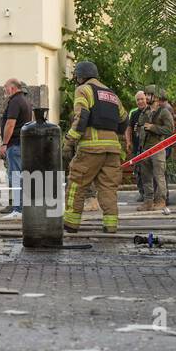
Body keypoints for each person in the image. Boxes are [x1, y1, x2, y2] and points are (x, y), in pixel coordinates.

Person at [62, 60, 123, 234]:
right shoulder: (112, 94)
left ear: (80, 76)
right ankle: (111, 225)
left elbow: (81, 117)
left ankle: (71, 224)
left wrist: (69, 141)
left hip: (91, 148)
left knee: (76, 184)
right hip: (112, 149)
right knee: (108, 188)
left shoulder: (83, 89)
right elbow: (123, 119)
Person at [0, 78, 33, 219]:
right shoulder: (24, 101)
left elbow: (10, 124)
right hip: (23, 144)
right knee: (21, 177)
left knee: (16, 177)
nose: (4, 90)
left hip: (15, 145)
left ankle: (18, 210)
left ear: (12, 88)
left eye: (5, 87)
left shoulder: (15, 101)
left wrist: (4, 144)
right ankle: (22, 209)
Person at [143, 88, 176, 214]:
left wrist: (153, 127)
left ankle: (161, 201)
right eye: (145, 94)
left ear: (155, 97)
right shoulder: (145, 111)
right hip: (145, 148)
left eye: (149, 94)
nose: (146, 97)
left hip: (157, 148)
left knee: (159, 176)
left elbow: (169, 130)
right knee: (146, 176)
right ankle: (148, 202)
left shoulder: (164, 112)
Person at [125, 90, 150, 209]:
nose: (140, 101)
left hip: (148, 148)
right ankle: (142, 193)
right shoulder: (134, 113)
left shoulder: (151, 112)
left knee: (149, 172)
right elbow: (129, 128)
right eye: (138, 100)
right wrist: (129, 142)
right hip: (136, 147)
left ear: (146, 99)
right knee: (138, 171)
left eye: (142, 99)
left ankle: (151, 195)